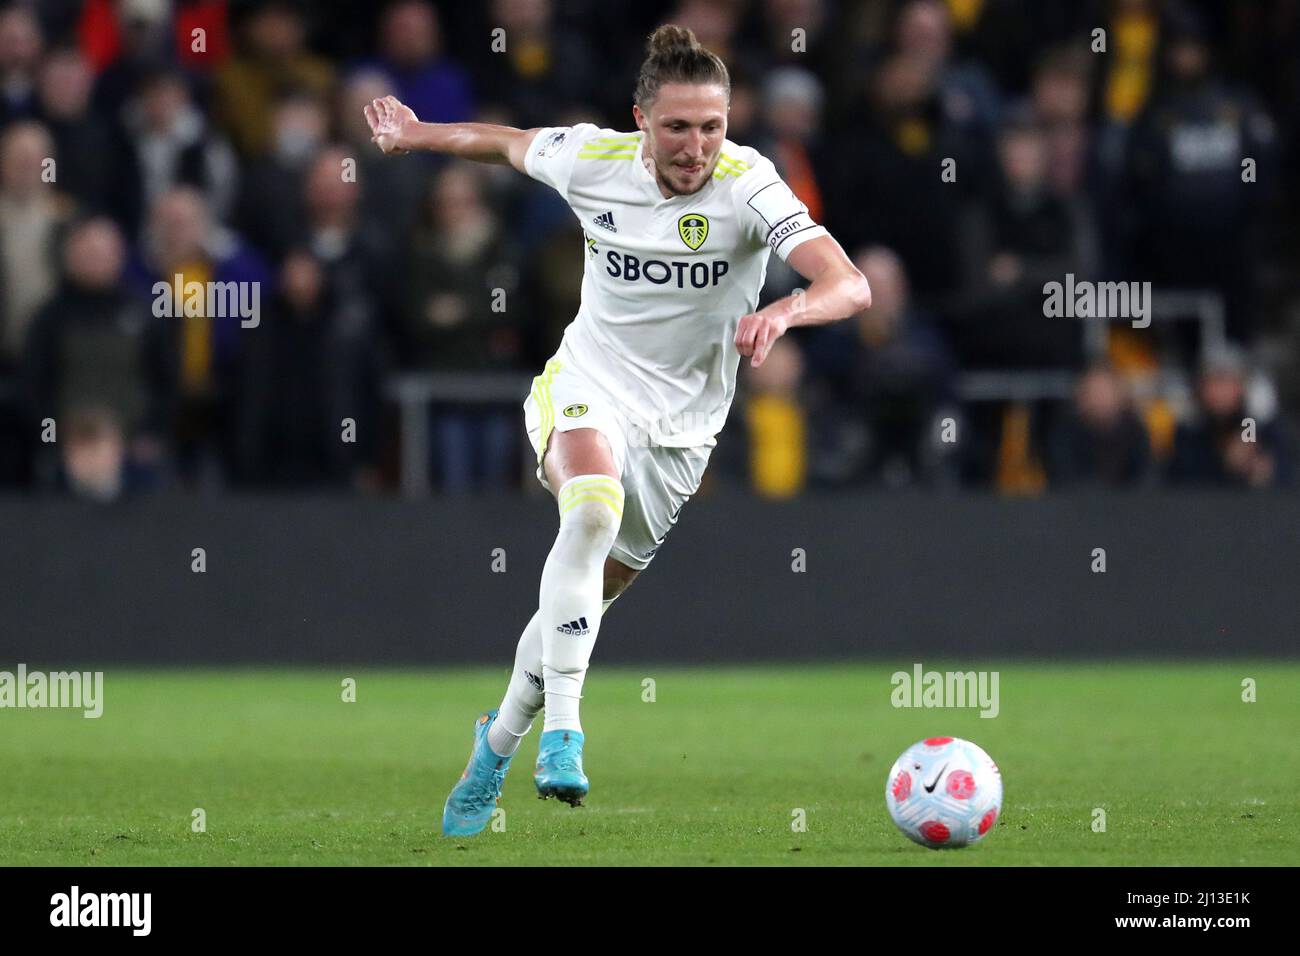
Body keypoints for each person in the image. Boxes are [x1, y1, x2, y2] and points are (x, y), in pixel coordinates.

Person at [365, 24, 871, 837]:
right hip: (589, 382)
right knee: (590, 511)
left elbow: (849, 284)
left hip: (680, 432)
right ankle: (564, 731)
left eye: (711, 126)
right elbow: (505, 143)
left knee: (585, 597)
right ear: (641, 120)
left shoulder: (750, 184)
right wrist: (415, 133)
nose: (695, 145)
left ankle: (494, 744)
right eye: (677, 126)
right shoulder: (594, 159)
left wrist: (787, 309)